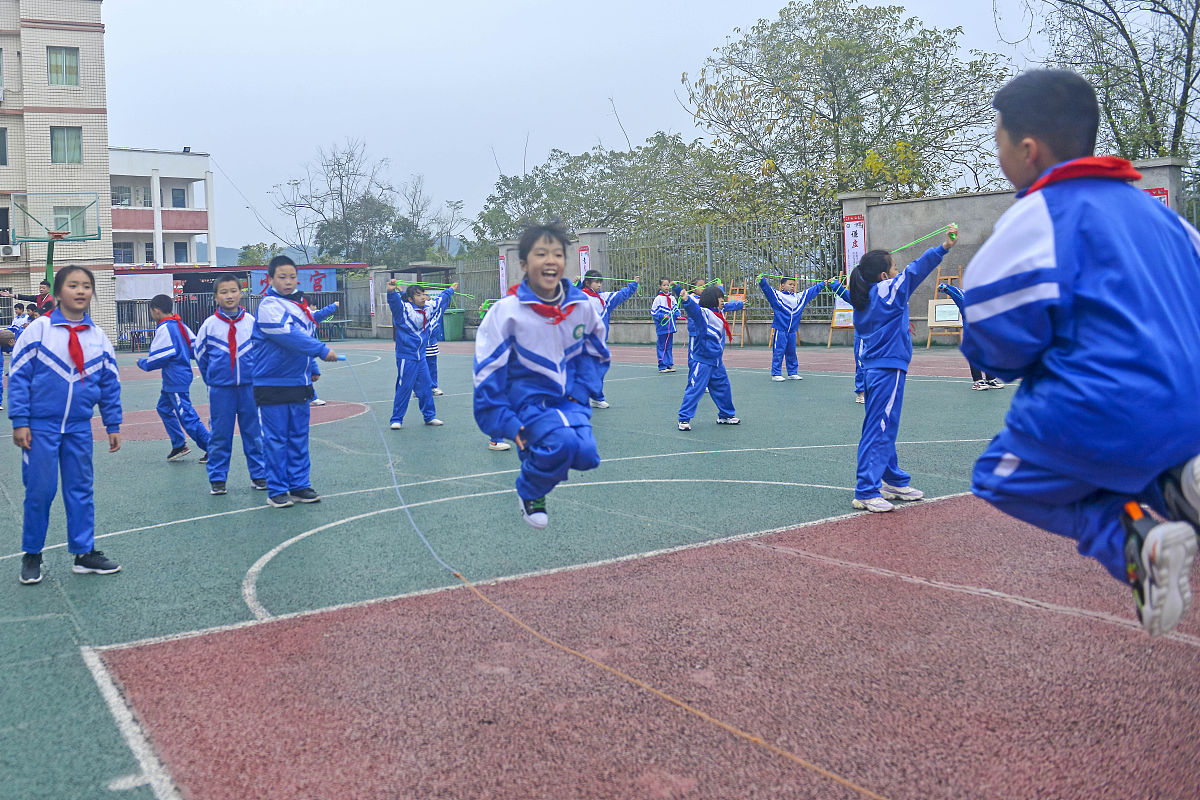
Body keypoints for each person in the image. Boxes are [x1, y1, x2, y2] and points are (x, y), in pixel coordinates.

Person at [961, 69, 1200, 636]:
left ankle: (1133, 537)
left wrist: (1017, 360)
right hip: (1192, 409)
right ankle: (1175, 484)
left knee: (999, 474)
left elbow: (994, 335)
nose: (999, 156)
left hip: (1105, 404)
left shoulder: (1038, 218)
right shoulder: (1168, 221)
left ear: (1028, 150)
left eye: (998, 143)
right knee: (1139, 450)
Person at [474, 222, 608, 528]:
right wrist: (506, 422)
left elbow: (596, 353)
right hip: (525, 402)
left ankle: (537, 457)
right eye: (541, 254)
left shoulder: (581, 307)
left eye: (558, 254)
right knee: (561, 443)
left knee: (587, 455)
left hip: (568, 399)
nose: (551, 261)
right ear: (523, 264)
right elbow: (487, 373)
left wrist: (581, 393)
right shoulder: (506, 312)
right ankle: (530, 490)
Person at [9, 266, 122, 585]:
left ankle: (84, 553)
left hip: (78, 429)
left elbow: (110, 384)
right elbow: (18, 378)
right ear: (58, 293)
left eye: (86, 285)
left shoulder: (98, 338)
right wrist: (20, 421)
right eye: (73, 285)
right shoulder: (38, 331)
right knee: (40, 491)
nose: (81, 290)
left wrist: (112, 423)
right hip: (40, 428)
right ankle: (32, 554)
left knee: (81, 489)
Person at [848, 225, 959, 512]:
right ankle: (866, 490)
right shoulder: (886, 291)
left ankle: (893, 480)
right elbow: (915, 271)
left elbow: (907, 273)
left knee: (881, 425)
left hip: (875, 369)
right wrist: (943, 248)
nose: (898, 272)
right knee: (880, 427)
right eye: (893, 268)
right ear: (884, 276)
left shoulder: (864, 297)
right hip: (887, 369)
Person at [252, 256, 339, 508]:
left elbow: (306, 334)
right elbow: (288, 335)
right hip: (271, 383)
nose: (288, 282)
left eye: (292, 277)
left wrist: (312, 366)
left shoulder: (300, 306)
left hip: (299, 383)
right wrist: (321, 350)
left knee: (299, 437)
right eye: (282, 277)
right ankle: (277, 490)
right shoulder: (268, 305)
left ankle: (299, 485)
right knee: (276, 439)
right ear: (270, 279)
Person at [194, 274, 267, 495]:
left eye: (233, 291)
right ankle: (218, 478)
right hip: (221, 391)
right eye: (223, 292)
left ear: (241, 293)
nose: (229, 296)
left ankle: (259, 474)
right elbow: (201, 357)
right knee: (219, 435)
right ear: (216, 297)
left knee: (254, 433)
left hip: (249, 388)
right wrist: (213, 380)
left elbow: (261, 353)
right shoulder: (209, 325)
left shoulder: (251, 322)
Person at [137, 294, 210, 462]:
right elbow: (195, 349)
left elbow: (158, 359)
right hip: (177, 378)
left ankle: (211, 447)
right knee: (163, 408)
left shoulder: (165, 328)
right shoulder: (180, 324)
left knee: (186, 415)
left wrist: (142, 363)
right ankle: (178, 444)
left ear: (156, 310)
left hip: (175, 379)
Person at [385, 282, 456, 429]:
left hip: (421, 356)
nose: (423, 297)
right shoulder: (404, 310)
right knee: (404, 387)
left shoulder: (428, 307)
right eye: (418, 295)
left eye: (423, 294)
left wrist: (450, 290)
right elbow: (395, 303)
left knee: (425, 388)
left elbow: (440, 300)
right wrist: (391, 292)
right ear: (410, 299)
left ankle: (429, 416)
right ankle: (396, 419)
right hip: (406, 357)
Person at [676, 284, 744, 431]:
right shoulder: (704, 314)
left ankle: (725, 415)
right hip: (702, 361)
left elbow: (730, 305)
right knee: (695, 389)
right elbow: (694, 310)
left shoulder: (720, 312)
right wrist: (686, 299)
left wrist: (741, 303)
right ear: (712, 299)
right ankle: (684, 418)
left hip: (716, 361)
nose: (723, 300)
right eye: (720, 298)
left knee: (723, 388)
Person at [577, 269, 639, 408]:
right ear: (587, 283)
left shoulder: (604, 298)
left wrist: (633, 285)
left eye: (600, 282)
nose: (599, 284)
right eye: (596, 282)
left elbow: (621, 295)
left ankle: (596, 398)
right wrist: (577, 285)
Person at [757, 273, 827, 381]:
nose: (792, 286)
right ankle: (776, 373)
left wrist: (823, 284)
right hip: (780, 330)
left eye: (794, 285)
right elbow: (767, 290)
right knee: (779, 352)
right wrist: (762, 281)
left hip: (792, 331)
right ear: (782, 285)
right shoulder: (777, 296)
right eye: (790, 284)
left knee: (792, 352)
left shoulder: (798, 297)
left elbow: (811, 291)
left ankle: (792, 372)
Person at [937, 283, 1005, 391]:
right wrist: (945, 287)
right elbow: (952, 290)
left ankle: (990, 379)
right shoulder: (963, 296)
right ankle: (978, 381)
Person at [825, 278, 866, 403]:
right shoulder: (857, 298)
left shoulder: (879, 295)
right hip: (862, 336)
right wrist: (834, 284)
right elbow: (843, 293)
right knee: (861, 363)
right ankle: (861, 392)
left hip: (877, 336)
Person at [306, 299, 340, 407]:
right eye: (314, 305)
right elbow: (322, 313)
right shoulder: (307, 313)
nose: (315, 308)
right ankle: (311, 397)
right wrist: (334, 305)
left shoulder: (307, 314)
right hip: (304, 348)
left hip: (307, 349)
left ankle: (311, 396)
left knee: (310, 372)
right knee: (304, 374)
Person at [650, 278, 684, 372]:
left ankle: (669, 364)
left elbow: (676, 309)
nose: (666, 287)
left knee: (669, 346)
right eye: (664, 285)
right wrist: (662, 316)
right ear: (660, 287)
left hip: (671, 327)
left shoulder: (672, 298)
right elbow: (653, 312)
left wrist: (678, 315)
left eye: (668, 285)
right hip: (662, 327)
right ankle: (662, 366)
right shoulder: (658, 299)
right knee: (662, 346)